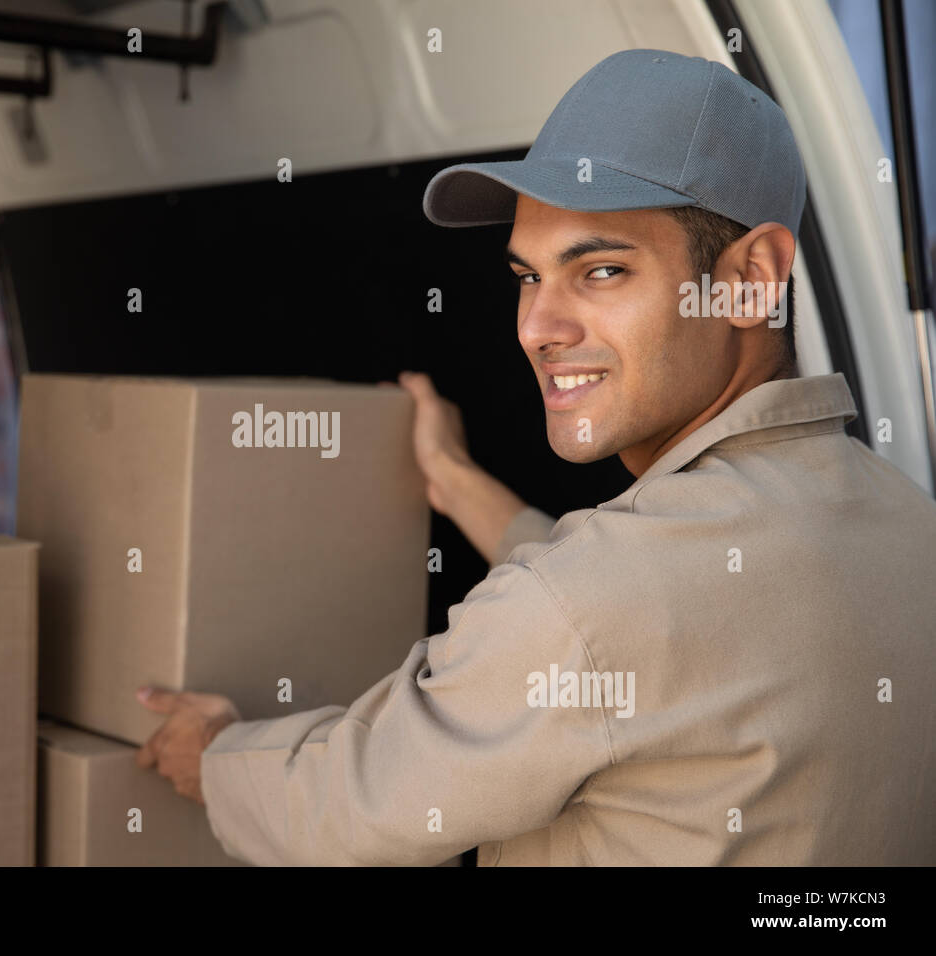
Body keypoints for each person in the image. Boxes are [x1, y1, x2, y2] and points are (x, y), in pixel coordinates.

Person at [134, 48, 936, 865]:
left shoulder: (597, 599)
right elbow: (649, 623)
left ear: (751, 279)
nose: (536, 328)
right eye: (527, 276)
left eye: (602, 270)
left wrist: (217, 754)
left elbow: (350, 804)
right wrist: (455, 481)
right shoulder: (911, 526)